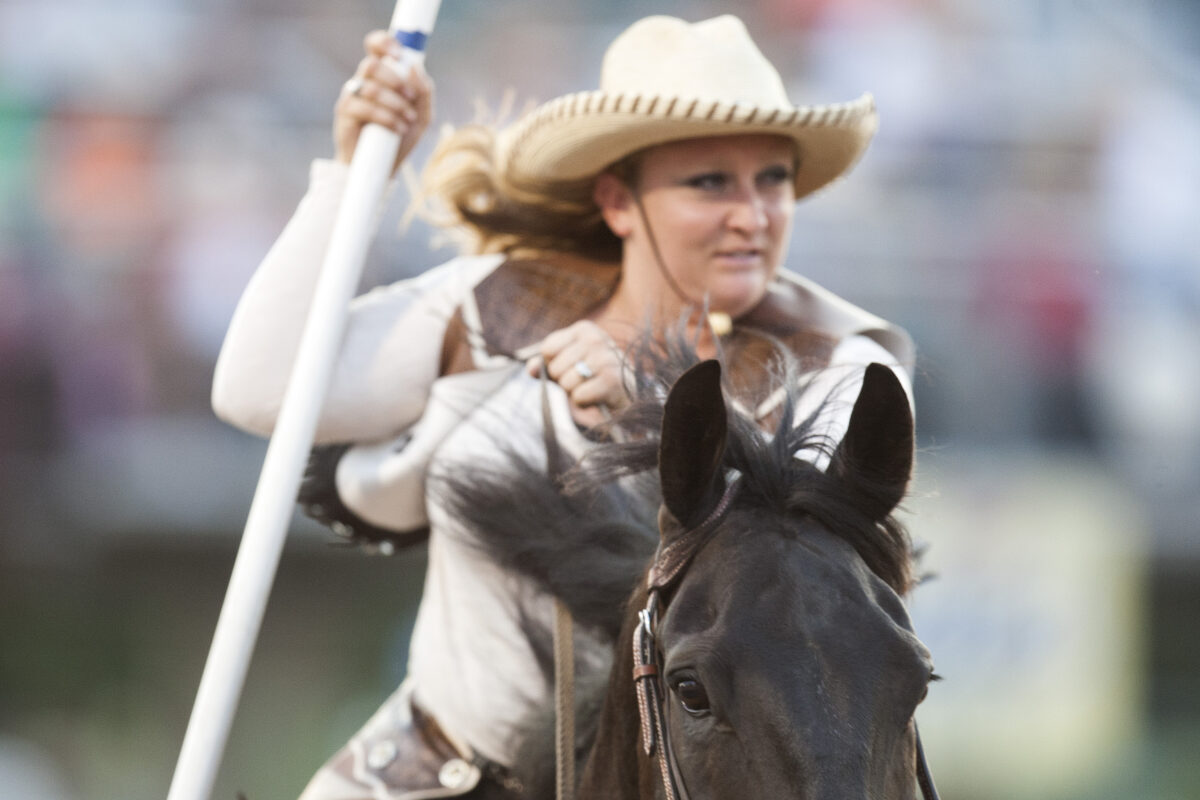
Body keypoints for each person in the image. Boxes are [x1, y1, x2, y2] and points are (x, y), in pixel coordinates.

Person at [212, 14, 914, 800]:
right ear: (619, 201)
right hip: (422, 774)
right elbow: (259, 389)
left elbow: (794, 572)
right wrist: (356, 173)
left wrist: (647, 409)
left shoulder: (839, 361)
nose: (752, 215)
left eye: (773, 179)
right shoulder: (493, 303)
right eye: (710, 182)